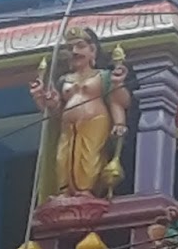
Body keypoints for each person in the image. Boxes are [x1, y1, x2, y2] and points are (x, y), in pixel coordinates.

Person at [30, 27, 129, 196]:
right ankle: (64, 191)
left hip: (95, 123)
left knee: (89, 159)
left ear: (92, 51)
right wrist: (45, 99)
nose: (74, 52)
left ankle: (86, 191)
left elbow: (118, 101)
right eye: (70, 48)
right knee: (63, 159)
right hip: (68, 128)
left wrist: (119, 122)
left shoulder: (103, 76)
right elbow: (54, 114)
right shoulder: (64, 81)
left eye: (80, 46)